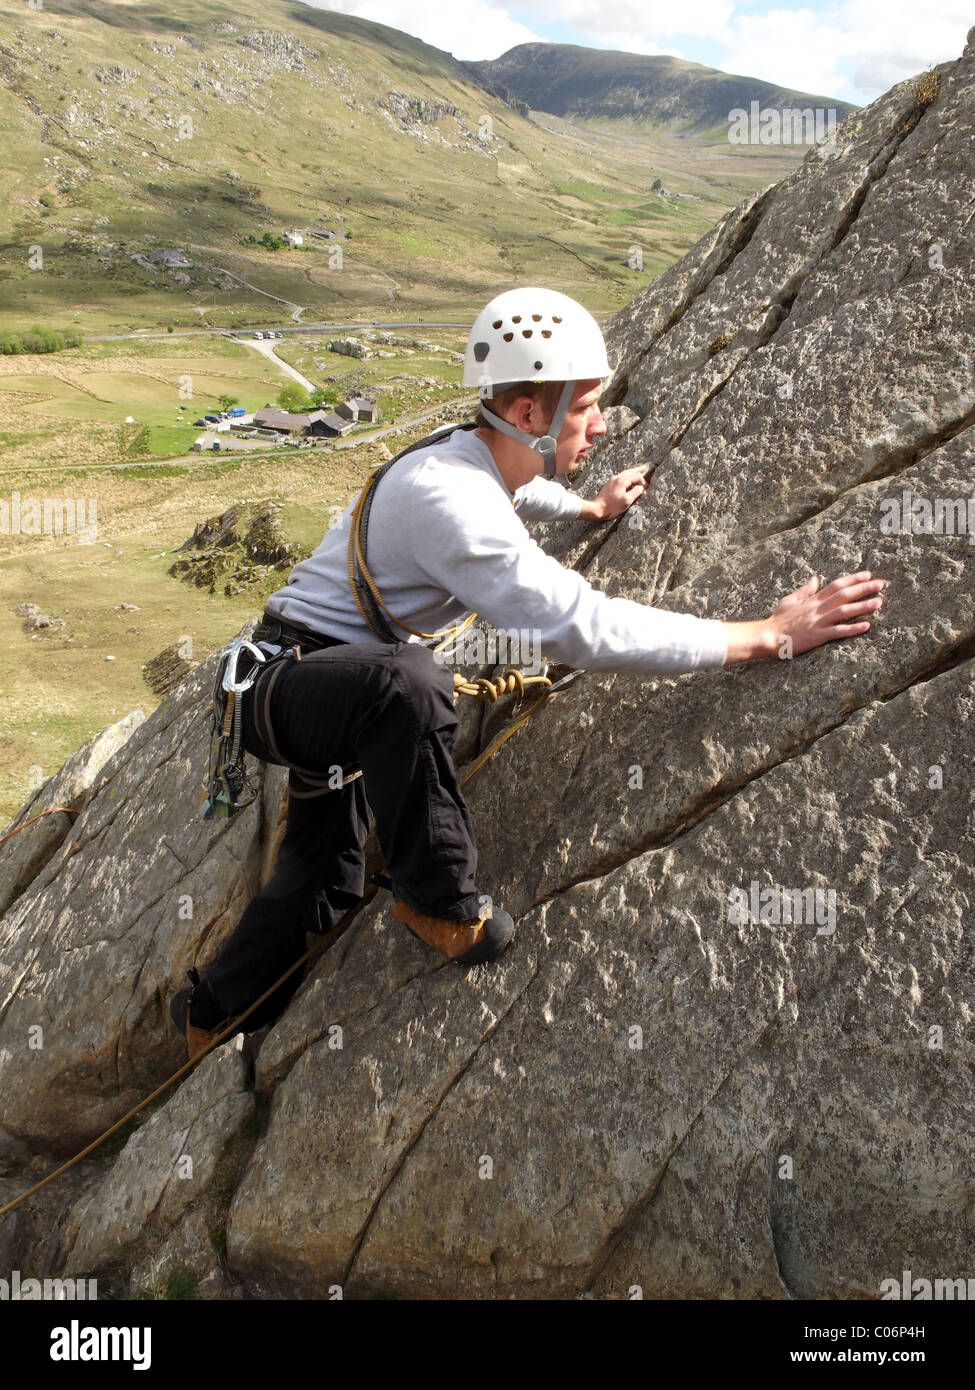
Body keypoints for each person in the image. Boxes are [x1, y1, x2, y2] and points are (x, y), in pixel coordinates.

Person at [170, 286, 886, 1060]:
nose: (602, 423)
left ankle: (209, 1016)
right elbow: (584, 629)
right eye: (586, 407)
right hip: (298, 687)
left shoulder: (469, 456)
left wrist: (586, 509)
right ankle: (437, 900)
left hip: (320, 687)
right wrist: (764, 636)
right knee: (409, 684)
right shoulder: (447, 498)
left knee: (325, 880)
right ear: (526, 417)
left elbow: (513, 486)